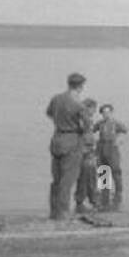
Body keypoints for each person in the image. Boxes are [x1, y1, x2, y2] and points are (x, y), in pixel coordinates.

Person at [46, 72, 89, 220]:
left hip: (57, 138)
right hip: (72, 139)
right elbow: (86, 126)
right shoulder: (78, 104)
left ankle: (53, 210)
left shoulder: (56, 99)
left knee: (56, 178)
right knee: (68, 178)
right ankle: (63, 212)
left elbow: (49, 113)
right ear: (81, 86)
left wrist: (61, 122)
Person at [95, 104, 128, 211]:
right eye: (104, 113)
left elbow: (128, 132)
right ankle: (105, 196)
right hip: (101, 147)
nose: (106, 115)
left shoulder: (116, 123)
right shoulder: (99, 123)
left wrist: (120, 141)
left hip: (112, 148)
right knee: (103, 171)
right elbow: (90, 131)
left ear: (111, 113)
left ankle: (118, 193)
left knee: (116, 171)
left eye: (108, 112)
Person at [74, 98, 100, 214]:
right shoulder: (84, 119)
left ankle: (89, 201)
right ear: (89, 107)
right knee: (86, 178)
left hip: (87, 151)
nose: (94, 111)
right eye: (93, 109)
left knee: (88, 177)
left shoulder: (84, 119)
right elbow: (82, 135)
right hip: (85, 152)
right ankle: (84, 203)